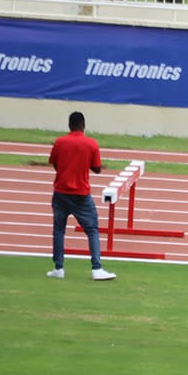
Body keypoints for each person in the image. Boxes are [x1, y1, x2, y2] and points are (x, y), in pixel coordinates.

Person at [48, 111, 116, 282]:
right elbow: (97, 168)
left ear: (69, 125)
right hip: (81, 194)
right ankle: (96, 268)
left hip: (60, 192)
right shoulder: (91, 144)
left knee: (59, 230)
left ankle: (58, 267)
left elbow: (55, 163)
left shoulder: (60, 142)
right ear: (83, 125)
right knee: (92, 229)